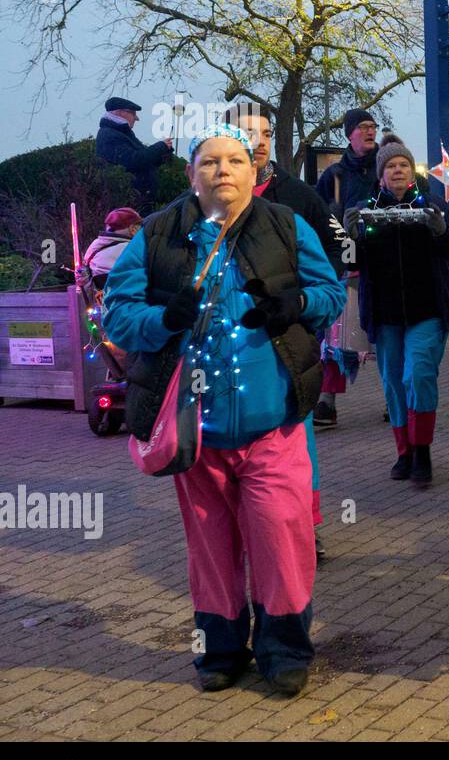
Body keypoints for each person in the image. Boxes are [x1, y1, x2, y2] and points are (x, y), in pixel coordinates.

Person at [102, 122, 346, 695]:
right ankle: (220, 649)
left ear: (254, 172)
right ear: (191, 175)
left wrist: (297, 303)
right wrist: (162, 319)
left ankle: (285, 649)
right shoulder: (159, 233)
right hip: (196, 429)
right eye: (209, 161)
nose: (222, 171)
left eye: (234, 160)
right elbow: (116, 313)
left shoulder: (288, 225)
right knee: (211, 549)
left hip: (274, 422)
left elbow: (330, 292)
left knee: (281, 539)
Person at [236, 106, 348, 558]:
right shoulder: (208, 195)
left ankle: (305, 524)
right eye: (248, 133)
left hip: (288, 336)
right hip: (228, 346)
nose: (260, 141)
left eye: (266, 133)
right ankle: (249, 523)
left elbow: (338, 249)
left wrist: (306, 309)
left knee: (295, 431)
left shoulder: (297, 196)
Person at [343, 135, 449, 485]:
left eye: (403, 165)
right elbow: (348, 261)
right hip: (384, 314)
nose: (397, 171)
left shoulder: (432, 206)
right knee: (394, 384)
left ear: (411, 172)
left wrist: (441, 230)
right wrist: (351, 236)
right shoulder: (365, 210)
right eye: (390, 166)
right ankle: (404, 452)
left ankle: (423, 451)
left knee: (418, 375)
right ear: (381, 175)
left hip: (427, 309)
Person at [314, 108, 380, 424]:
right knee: (336, 335)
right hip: (347, 261)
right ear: (349, 134)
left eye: (373, 127)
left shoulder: (387, 166)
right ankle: (327, 402)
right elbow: (317, 213)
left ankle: (393, 399)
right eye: (363, 127)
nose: (370, 132)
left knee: (384, 333)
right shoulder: (334, 175)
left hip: (383, 260)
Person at [94, 96, 174, 209]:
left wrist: (164, 150)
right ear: (119, 112)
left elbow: (144, 159)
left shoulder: (122, 133)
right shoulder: (110, 135)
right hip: (128, 204)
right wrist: (160, 147)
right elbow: (133, 160)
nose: (136, 118)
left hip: (138, 201)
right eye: (132, 113)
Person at [84, 207, 143, 287]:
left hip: (99, 297)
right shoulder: (133, 249)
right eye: (140, 227)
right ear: (133, 229)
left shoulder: (93, 247)